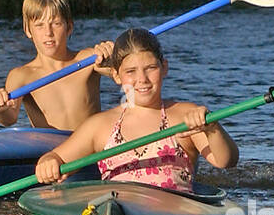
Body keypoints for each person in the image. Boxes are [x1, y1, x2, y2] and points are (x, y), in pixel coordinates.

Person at [34, 28, 238, 190]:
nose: (142, 79)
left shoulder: (185, 115)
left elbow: (225, 161)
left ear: (164, 68)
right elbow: (56, 157)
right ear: (116, 76)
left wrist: (212, 128)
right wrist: (48, 163)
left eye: (151, 68)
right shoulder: (100, 126)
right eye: (131, 71)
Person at [0, 0, 115, 131]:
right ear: (28, 30)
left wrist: (112, 57)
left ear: (69, 27)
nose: (48, 32)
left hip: (91, 146)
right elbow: (10, 118)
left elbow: (119, 74)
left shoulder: (88, 59)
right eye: (39, 25)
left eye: (56, 23)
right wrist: (0, 109)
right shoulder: (21, 76)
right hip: (50, 150)